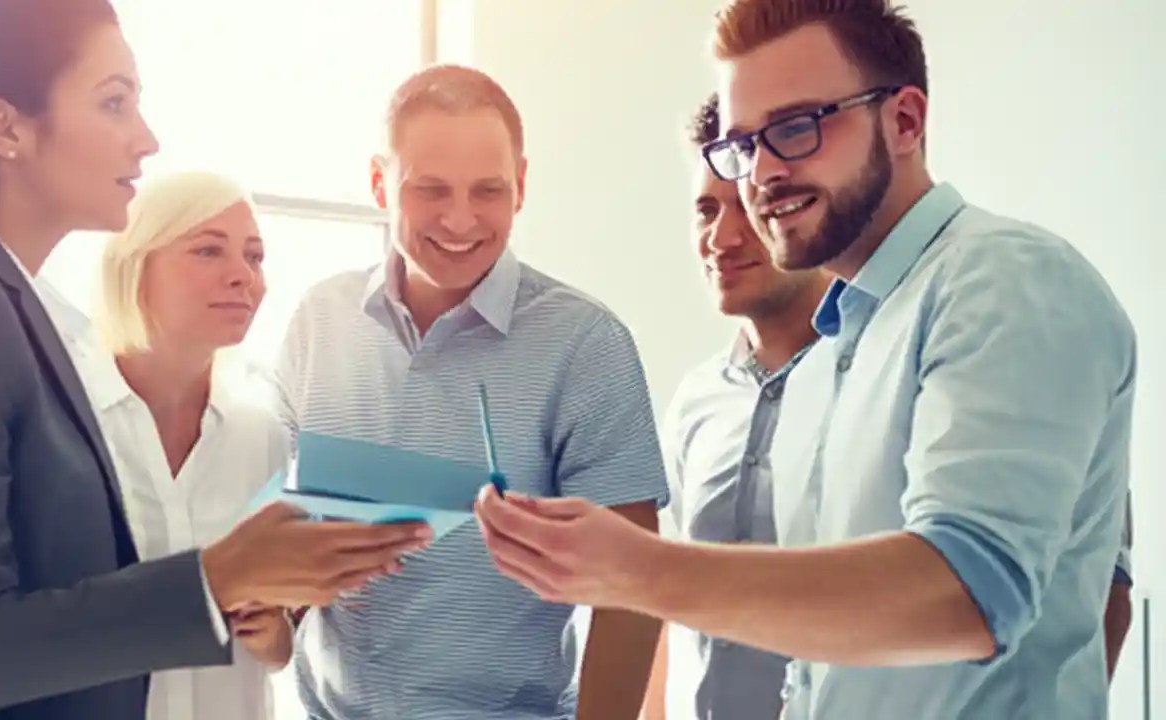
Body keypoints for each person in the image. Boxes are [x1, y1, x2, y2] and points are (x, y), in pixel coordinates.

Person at [473, 2, 1136, 718]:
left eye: (795, 129)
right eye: (743, 145)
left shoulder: (1004, 281)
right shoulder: (829, 361)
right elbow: (823, 667)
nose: (762, 175)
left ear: (906, 122)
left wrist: (640, 570)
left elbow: (969, 594)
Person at [0, 2, 430, 718]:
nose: (146, 140)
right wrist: (216, 578)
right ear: (3, 126)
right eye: (114, 103)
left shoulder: (16, 309)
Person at [274, 64, 667, 719]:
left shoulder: (586, 345)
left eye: (488, 190)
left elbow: (631, 590)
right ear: (380, 183)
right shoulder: (319, 321)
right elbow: (288, 529)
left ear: (522, 185)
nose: (460, 220)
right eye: (430, 189)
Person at [41, 171, 296, 720]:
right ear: (135, 270)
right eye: (208, 251)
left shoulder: (262, 436)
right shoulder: (60, 424)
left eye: (254, 256)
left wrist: (273, 631)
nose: (242, 277)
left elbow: (277, 651)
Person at [640, 93, 830, 720]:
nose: (721, 238)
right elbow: (671, 606)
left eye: (745, 207)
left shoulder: (877, 378)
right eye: (704, 210)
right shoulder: (696, 399)